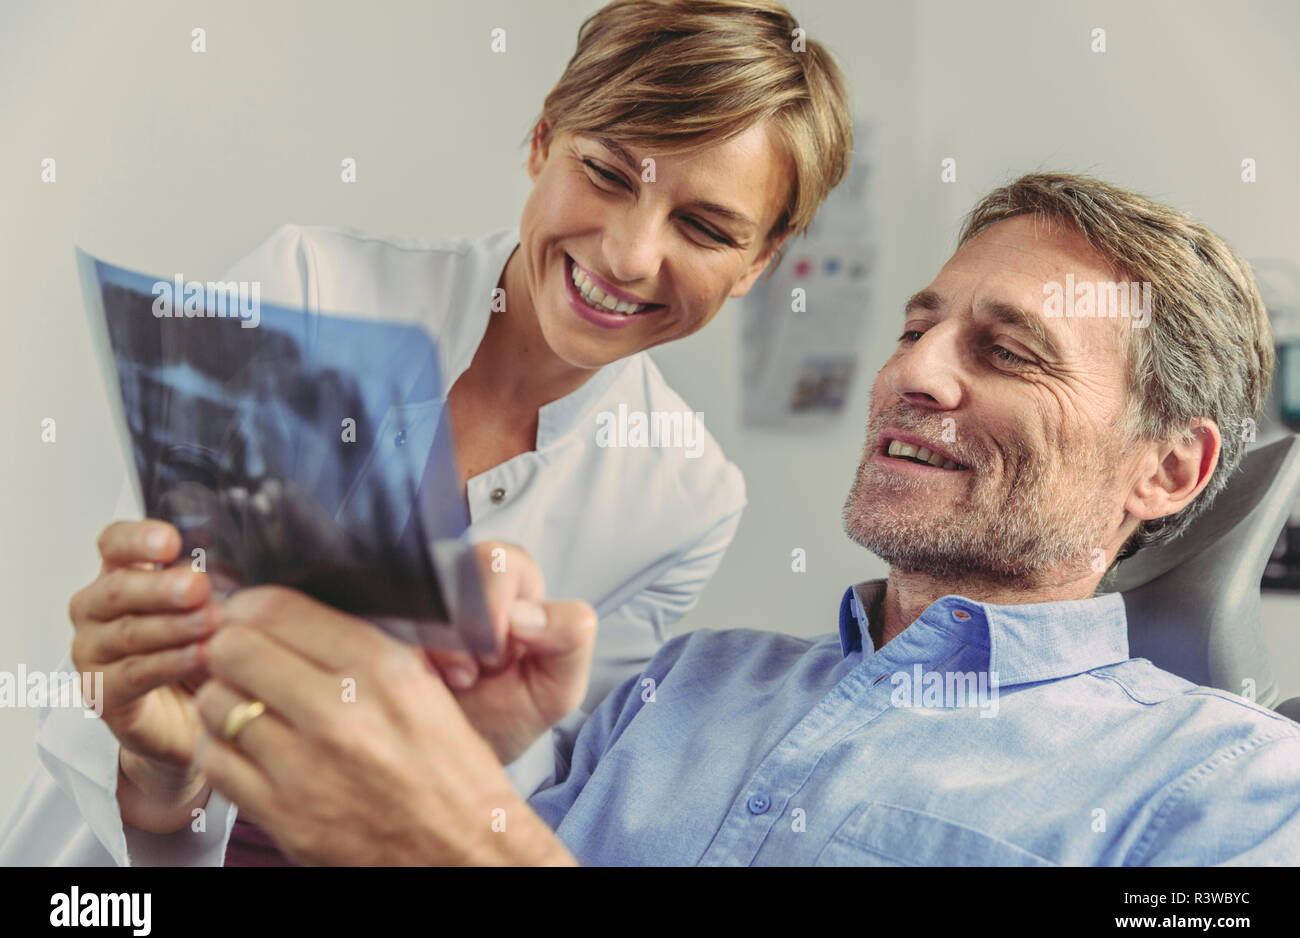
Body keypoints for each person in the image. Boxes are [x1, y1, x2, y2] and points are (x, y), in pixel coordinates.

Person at [156, 171, 1300, 866]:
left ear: (1168, 470)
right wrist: (183, 776)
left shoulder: (1237, 793)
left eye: (1004, 352)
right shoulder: (684, 686)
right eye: (915, 328)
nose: (914, 374)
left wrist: (464, 837)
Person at [0, 0, 853, 866]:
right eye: (604, 172)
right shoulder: (307, 289)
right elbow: (134, 686)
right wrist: (162, 769)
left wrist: (480, 744)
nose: (630, 255)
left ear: (759, 262)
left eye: (705, 228)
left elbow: (523, 801)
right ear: (542, 139)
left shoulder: (688, 502)